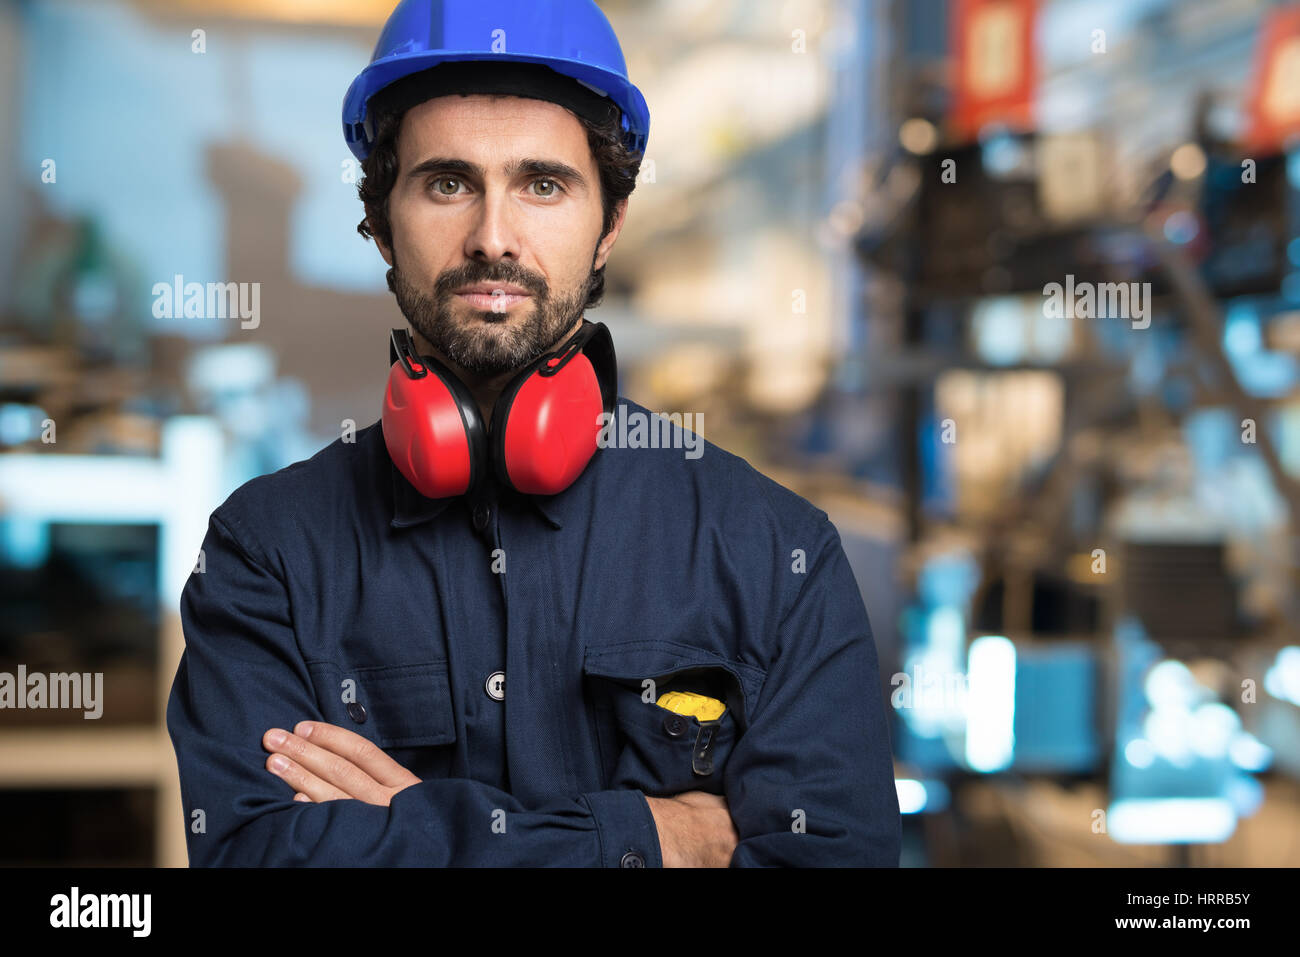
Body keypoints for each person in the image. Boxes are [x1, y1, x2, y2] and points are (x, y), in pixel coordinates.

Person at [165, 0, 900, 867]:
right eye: (447, 182)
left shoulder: (771, 551)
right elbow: (253, 856)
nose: (492, 238)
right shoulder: (268, 556)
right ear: (381, 224)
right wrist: (664, 838)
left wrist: (412, 829)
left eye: (542, 184)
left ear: (610, 225)